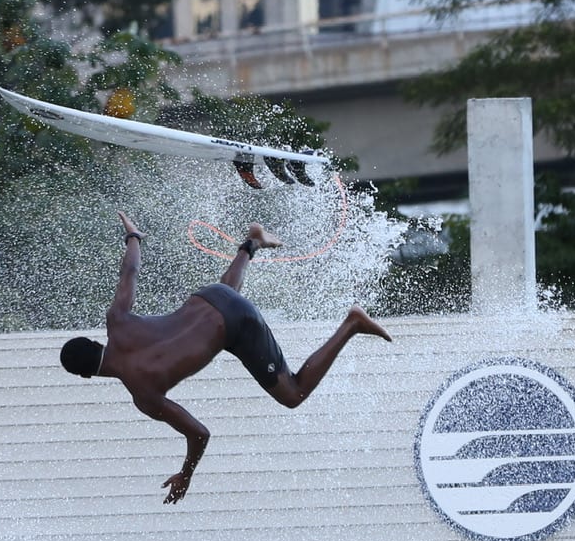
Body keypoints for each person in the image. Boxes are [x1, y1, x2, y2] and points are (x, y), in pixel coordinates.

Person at [59, 212, 392, 503]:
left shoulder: (143, 394)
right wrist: (133, 236)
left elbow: (199, 434)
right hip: (212, 295)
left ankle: (352, 324)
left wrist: (186, 474)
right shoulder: (117, 321)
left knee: (293, 394)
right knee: (217, 316)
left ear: (86, 376)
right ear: (93, 342)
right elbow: (129, 272)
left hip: (237, 324)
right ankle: (252, 243)